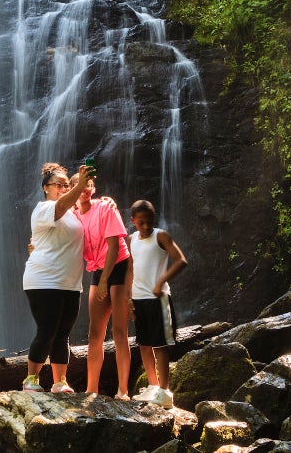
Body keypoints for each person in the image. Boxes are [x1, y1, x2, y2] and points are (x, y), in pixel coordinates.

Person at [22, 161, 93, 393]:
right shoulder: (44, 208)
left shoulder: (73, 214)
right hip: (44, 280)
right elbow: (62, 206)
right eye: (58, 185)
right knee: (47, 329)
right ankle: (31, 380)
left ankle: (60, 382)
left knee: (62, 334)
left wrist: (106, 202)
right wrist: (79, 186)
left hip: (70, 283)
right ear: (46, 187)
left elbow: (88, 213)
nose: (63, 188)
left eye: (66, 185)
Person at [75, 172, 133, 398]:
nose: (84, 189)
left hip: (117, 265)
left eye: (88, 184)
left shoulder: (105, 207)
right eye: (79, 185)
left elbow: (115, 246)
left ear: (93, 188)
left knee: (119, 331)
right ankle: (91, 390)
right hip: (98, 270)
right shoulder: (73, 215)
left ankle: (123, 391)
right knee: (94, 334)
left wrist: (104, 281)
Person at [127, 199, 188, 409]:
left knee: (160, 345)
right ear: (133, 221)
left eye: (149, 221)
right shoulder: (131, 240)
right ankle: (152, 386)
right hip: (138, 299)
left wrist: (161, 281)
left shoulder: (160, 236)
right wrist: (128, 299)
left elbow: (181, 260)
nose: (146, 226)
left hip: (157, 299)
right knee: (144, 344)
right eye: (141, 222)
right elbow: (130, 270)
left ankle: (165, 391)